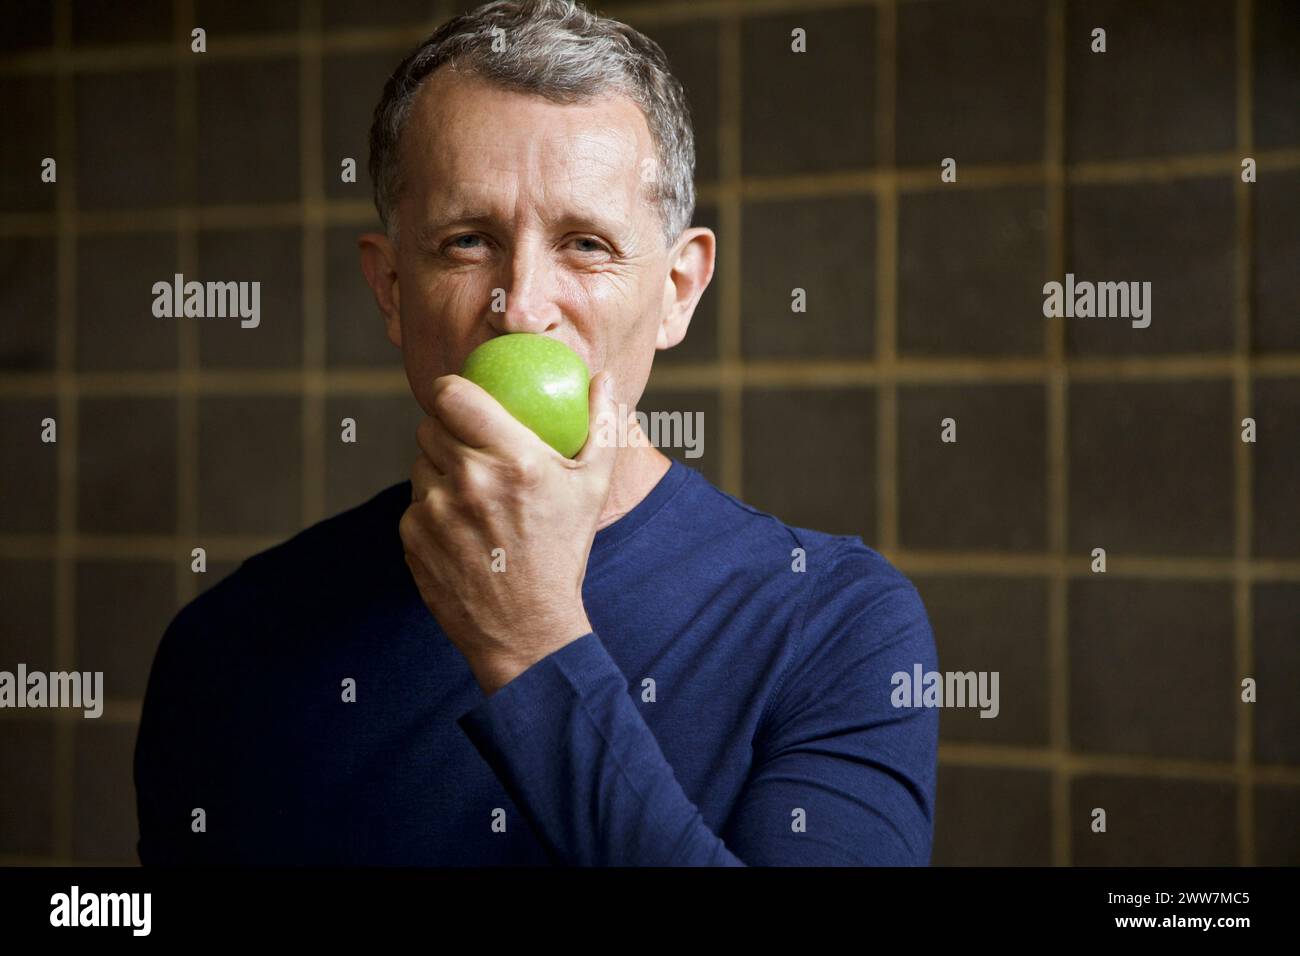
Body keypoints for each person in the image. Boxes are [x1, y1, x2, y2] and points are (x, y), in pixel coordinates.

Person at [134, 0, 938, 866]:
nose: (519, 307)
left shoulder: (838, 626)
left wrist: (529, 643)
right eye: (468, 241)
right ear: (391, 288)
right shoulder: (230, 646)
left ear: (676, 290)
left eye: (586, 244)